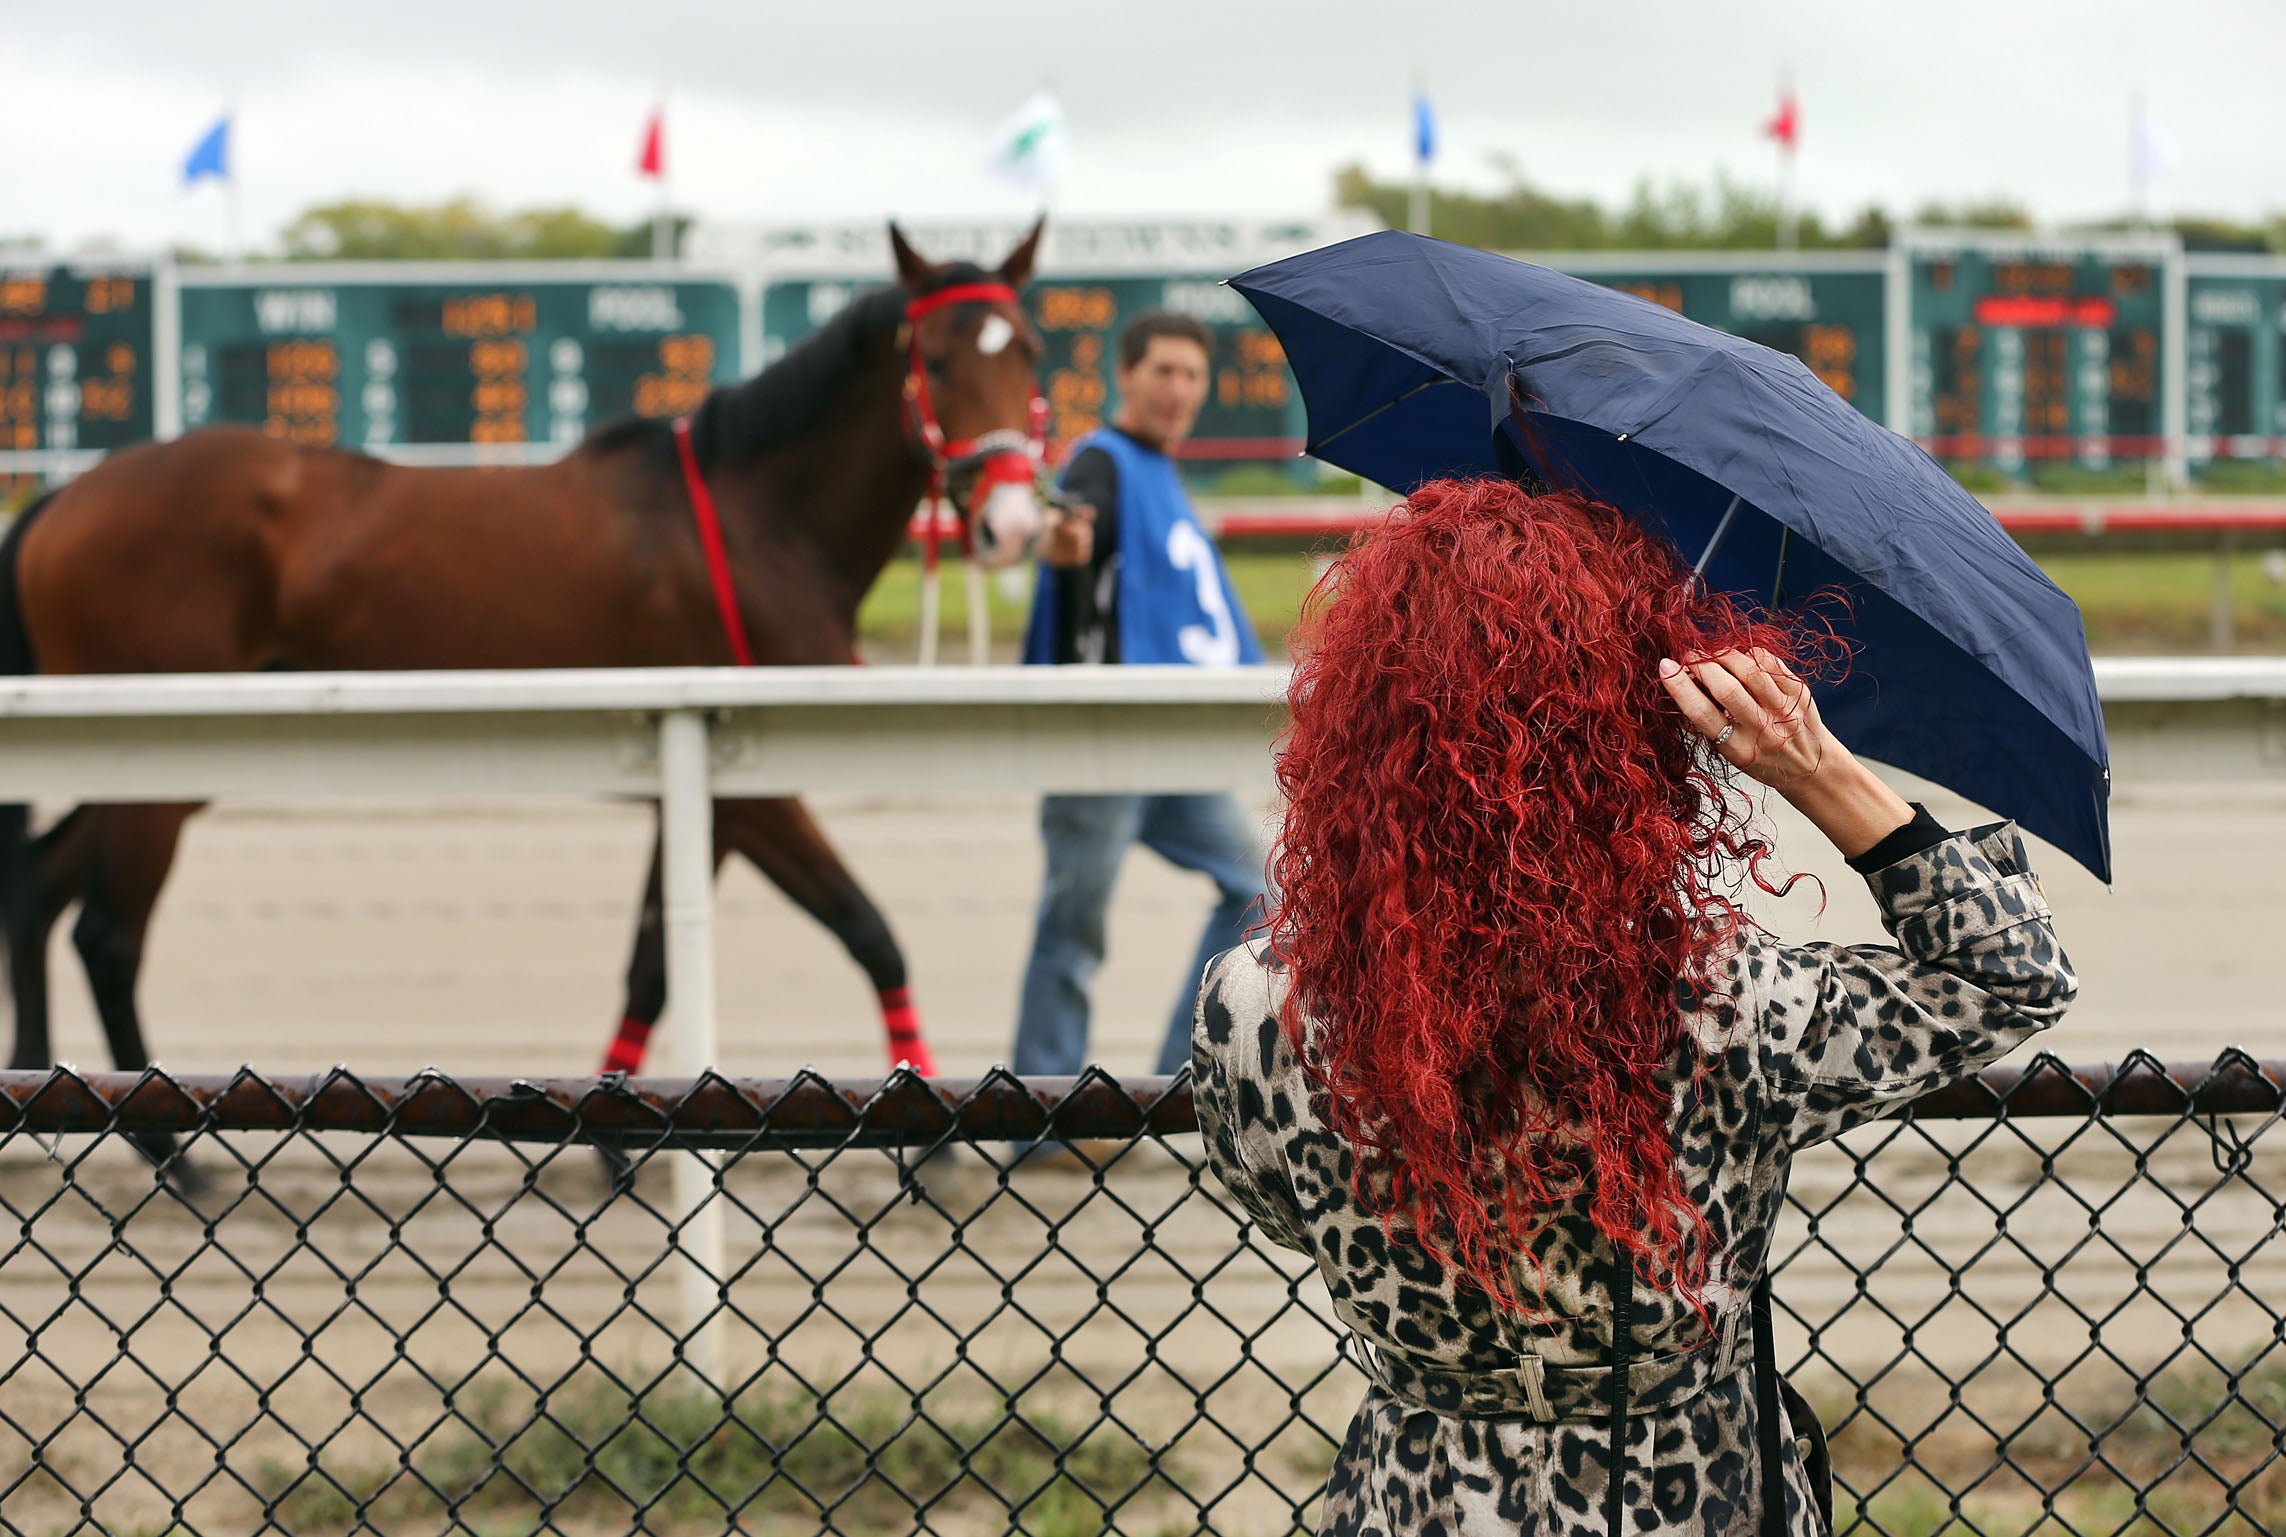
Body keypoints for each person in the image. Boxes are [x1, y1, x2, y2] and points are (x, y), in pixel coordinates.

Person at [1191, 477, 2077, 1536]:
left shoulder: (1257, 1007)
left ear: (1357, 727)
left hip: (1415, 1495)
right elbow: (2008, 976)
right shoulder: (1721, 1004)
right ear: (1630, 739)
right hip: (1691, 1492)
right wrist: (1820, 768)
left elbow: (1280, 1210)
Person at [1012, 310, 1267, 1088]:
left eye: (1193, 374)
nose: (1179, 389)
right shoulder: (1102, 461)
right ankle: (1045, 1115)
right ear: (1126, 375)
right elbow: (1072, 532)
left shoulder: (1158, 470)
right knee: (1075, 927)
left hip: (1167, 743)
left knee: (1259, 890)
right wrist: (1063, 548)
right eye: (1164, 370)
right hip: (1106, 741)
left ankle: (1175, 1083)